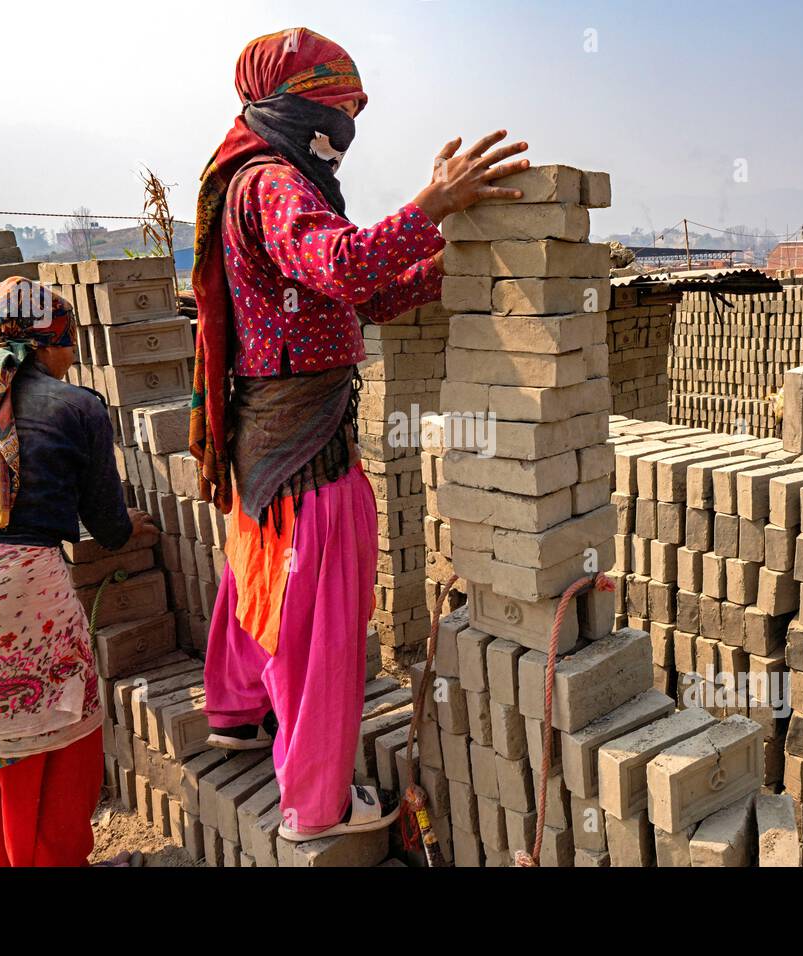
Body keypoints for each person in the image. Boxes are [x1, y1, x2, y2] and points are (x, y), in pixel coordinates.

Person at [190, 26, 528, 842]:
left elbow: (360, 296)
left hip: (266, 435)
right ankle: (317, 805)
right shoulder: (271, 183)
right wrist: (430, 204)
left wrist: (445, 257)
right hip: (305, 445)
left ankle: (235, 713)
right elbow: (343, 265)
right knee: (319, 614)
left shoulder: (266, 177)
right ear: (294, 106)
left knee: (258, 573)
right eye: (337, 110)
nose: (344, 130)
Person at [0, 277, 157, 867]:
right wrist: (134, 530)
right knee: (60, 745)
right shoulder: (78, 406)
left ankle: (0, 856)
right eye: (70, 343)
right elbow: (108, 522)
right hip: (14, 593)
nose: (73, 358)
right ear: (47, 342)